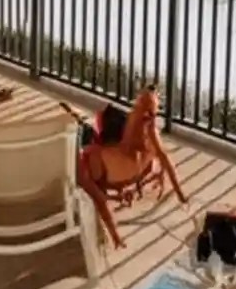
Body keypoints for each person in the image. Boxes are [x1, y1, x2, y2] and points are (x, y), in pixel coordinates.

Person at [75, 86, 187, 250]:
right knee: (95, 126)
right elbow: (163, 159)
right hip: (110, 154)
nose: (147, 117)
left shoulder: (145, 134)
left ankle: (79, 120)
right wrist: (179, 192)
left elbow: (164, 159)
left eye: (151, 114)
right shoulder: (143, 133)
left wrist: (180, 193)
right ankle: (80, 120)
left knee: (88, 133)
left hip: (106, 158)